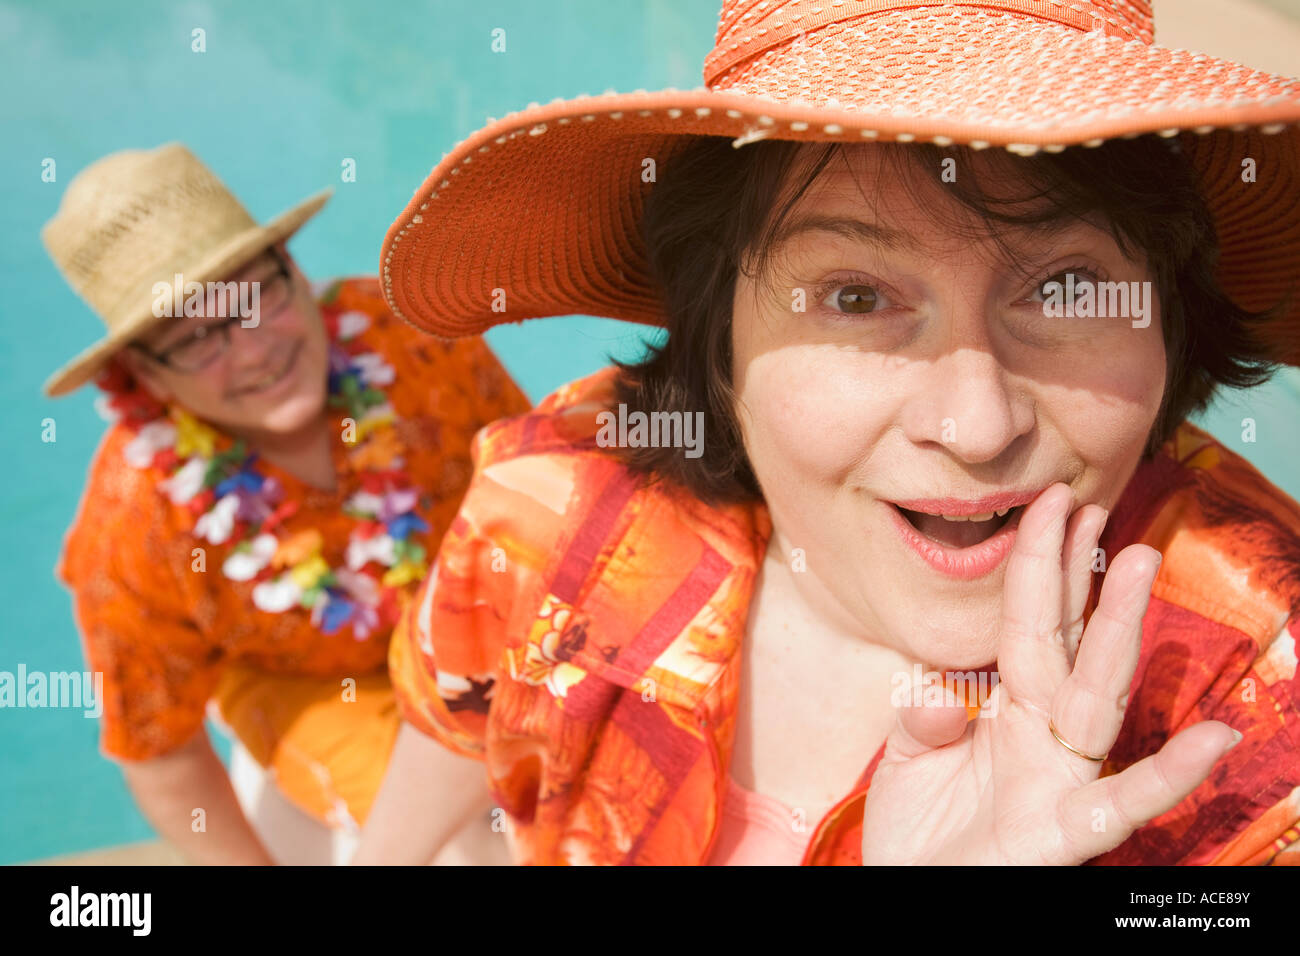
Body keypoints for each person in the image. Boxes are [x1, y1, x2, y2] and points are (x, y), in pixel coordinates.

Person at [355, 0, 1300, 865]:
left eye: (1066, 288)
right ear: (716, 331)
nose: (977, 427)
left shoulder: (1257, 700)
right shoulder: (554, 511)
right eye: (857, 296)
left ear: (1171, 320)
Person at [43, 143, 528, 865]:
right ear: (145, 375)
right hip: (301, 684)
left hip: (477, 620)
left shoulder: (418, 337)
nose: (254, 352)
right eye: (198, 338)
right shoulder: (133, 525)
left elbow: (535, 494)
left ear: (295, 272)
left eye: (255, 297)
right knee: (489, 836)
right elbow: (160, 752)